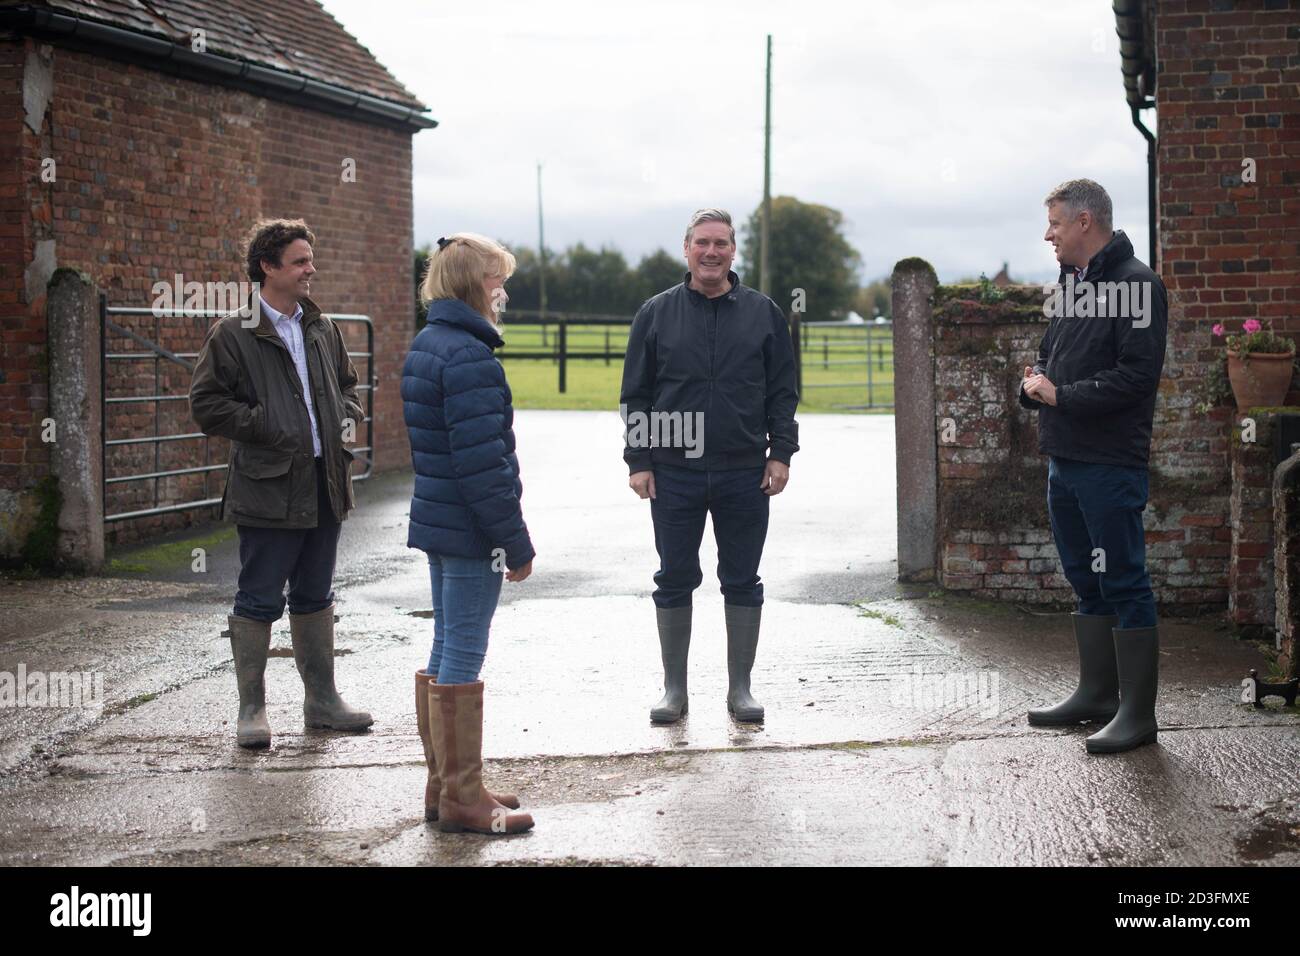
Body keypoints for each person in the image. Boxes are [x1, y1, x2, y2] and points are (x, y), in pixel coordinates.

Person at [190, 218, 372, 749]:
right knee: (259, 597)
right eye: (299, 261)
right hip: (267, 488)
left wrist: (345, 418)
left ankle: (323, 702)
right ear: (268, 267)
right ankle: (252, 710)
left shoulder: (321, 327)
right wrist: (269, 425)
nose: (310, 269)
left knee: (315, 593)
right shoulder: (233, 333)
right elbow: (207, 405)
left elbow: (347, 385)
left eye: (309, 260)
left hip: (325, 482)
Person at [620, 208, 799, 725]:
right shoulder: (655, 314)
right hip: (673, 471)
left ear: (733, 251)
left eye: (721, 243)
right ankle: (674, 690)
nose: (711, 252)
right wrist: (639, 461)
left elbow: (783, 394)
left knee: (741, 578)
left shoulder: (764, 314)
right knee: (674, 577)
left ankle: (740, 689)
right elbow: (636, 395)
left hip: (744, 471)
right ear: (687, 248)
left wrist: (781, 453)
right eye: (702, 242)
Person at [1021, 179, 1168, 754]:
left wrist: (1062, 395)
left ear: (1086, 222)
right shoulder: (1071, 284)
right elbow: (1048, 352)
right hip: (1064, 457)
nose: (1048, 234)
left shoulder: (1139, 285)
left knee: (1125, 581)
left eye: (1055, 223)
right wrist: (1035, 382)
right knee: (1086, 580)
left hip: (1109, 463)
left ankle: (1138, 715)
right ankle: (1098, 692)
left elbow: (1137, 378)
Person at [403, 233, 535, 834]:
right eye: (494, 278)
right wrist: (515, 540)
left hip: (439, 520)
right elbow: (483, 466)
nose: (501, 290)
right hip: (470, 529)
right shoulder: (471, 357)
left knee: (444, 645)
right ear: (471, 285)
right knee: (462, 650)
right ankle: (461, 799)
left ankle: (447, 787)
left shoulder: (430, 343)